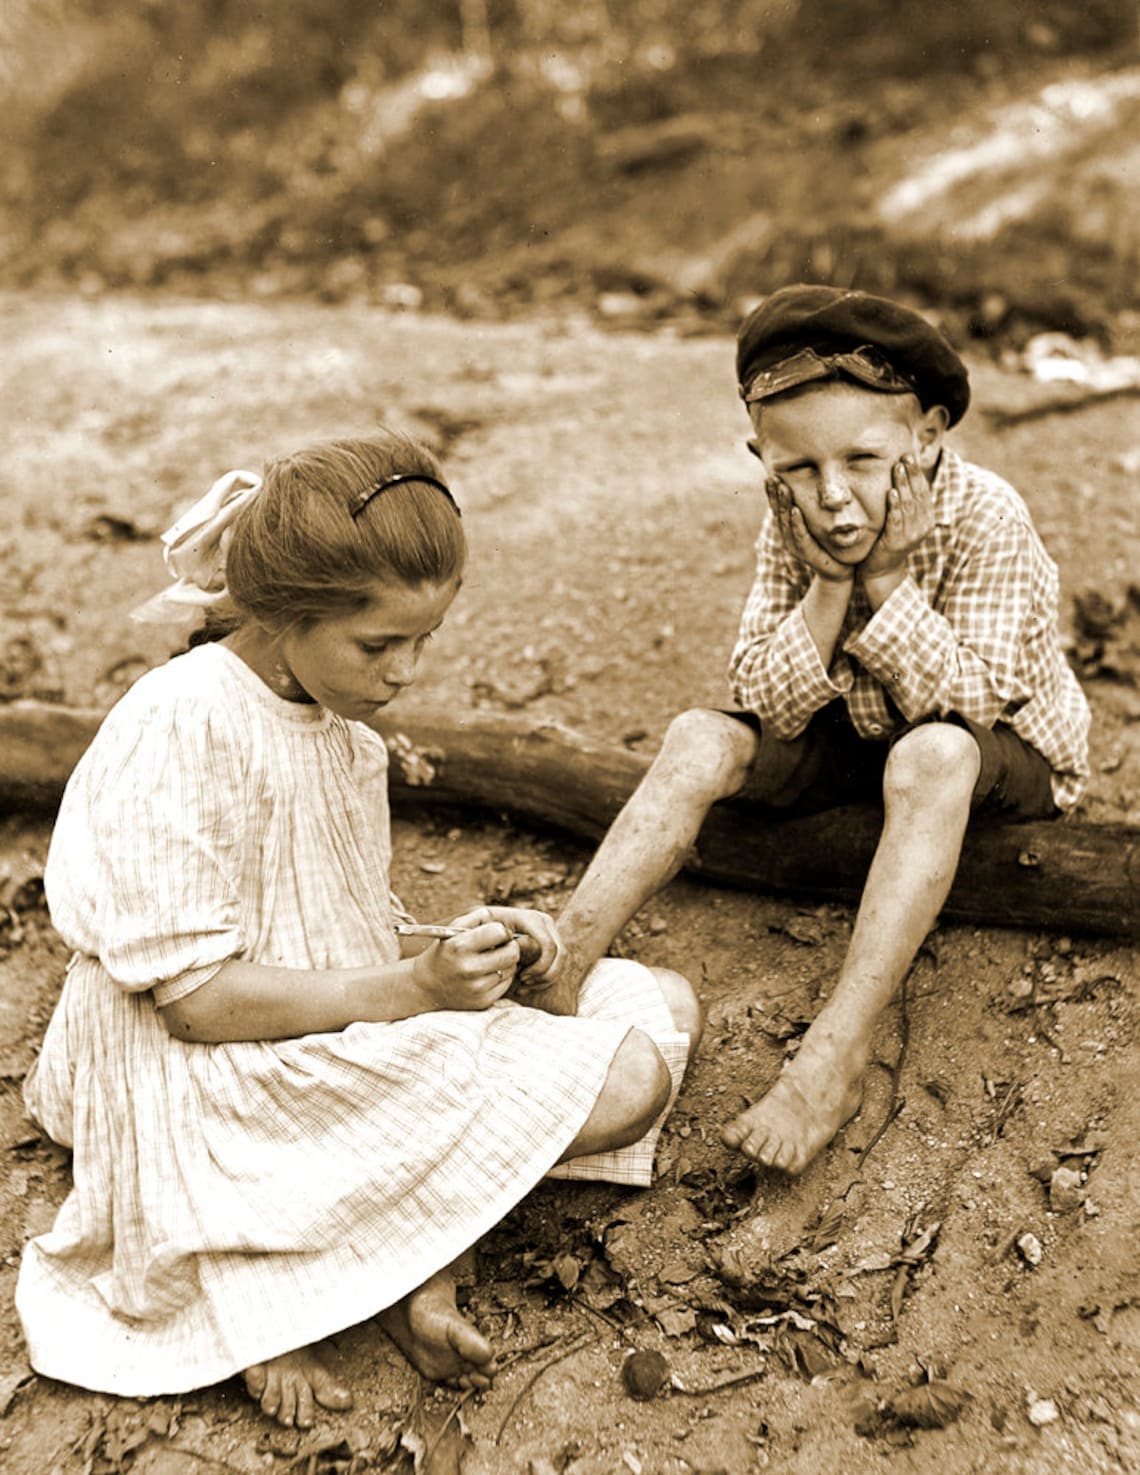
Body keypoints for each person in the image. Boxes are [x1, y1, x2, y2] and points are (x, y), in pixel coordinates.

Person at [16, 431, 702, 1429]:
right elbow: (197, 1001)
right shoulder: (182, 722)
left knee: (665, 1001)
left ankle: (411, 1267)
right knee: (633, 1074)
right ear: (283, 615)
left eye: (423, 640)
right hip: (194, 1064)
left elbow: (336, 925)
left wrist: (468, 945)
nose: (405, 672)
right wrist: (414, 995)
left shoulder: (343, 741)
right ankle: (283, 1287)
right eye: (379, 646)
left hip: (320, 1018)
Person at [518, 283, 1090, 1177]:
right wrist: (829, 587)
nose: (833, 498)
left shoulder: (986, 515)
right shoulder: (798, 520)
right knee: (700, 735)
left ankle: (836, 1054)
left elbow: (973, 702)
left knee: (932, 751)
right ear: (763, 459)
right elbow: (764, 695)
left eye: (863, 460)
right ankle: (562, 960)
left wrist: (891, 579)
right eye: (797, 470)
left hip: (990, 752)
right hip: (862, 737)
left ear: (928, 436)